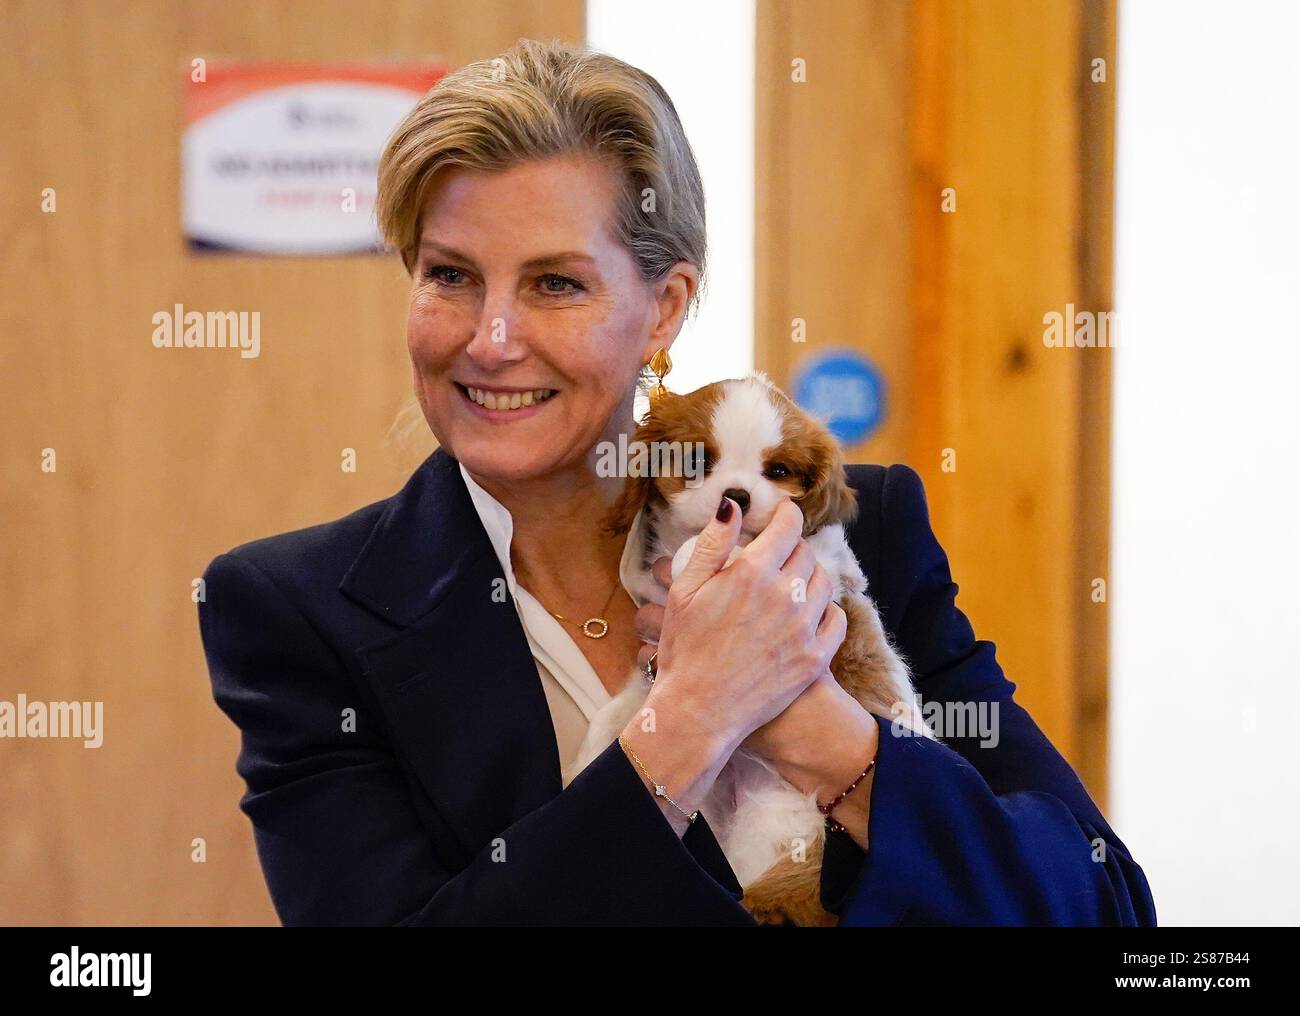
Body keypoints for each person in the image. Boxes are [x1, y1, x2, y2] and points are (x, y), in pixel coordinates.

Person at [197, 37, 1156, 926]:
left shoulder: (858, 531)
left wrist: (828, 737)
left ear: (665, 307)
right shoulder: (297, 611)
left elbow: (1103, 906)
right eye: (450, 276)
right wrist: (690, 722)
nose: (490, 340)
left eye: (555, 284)